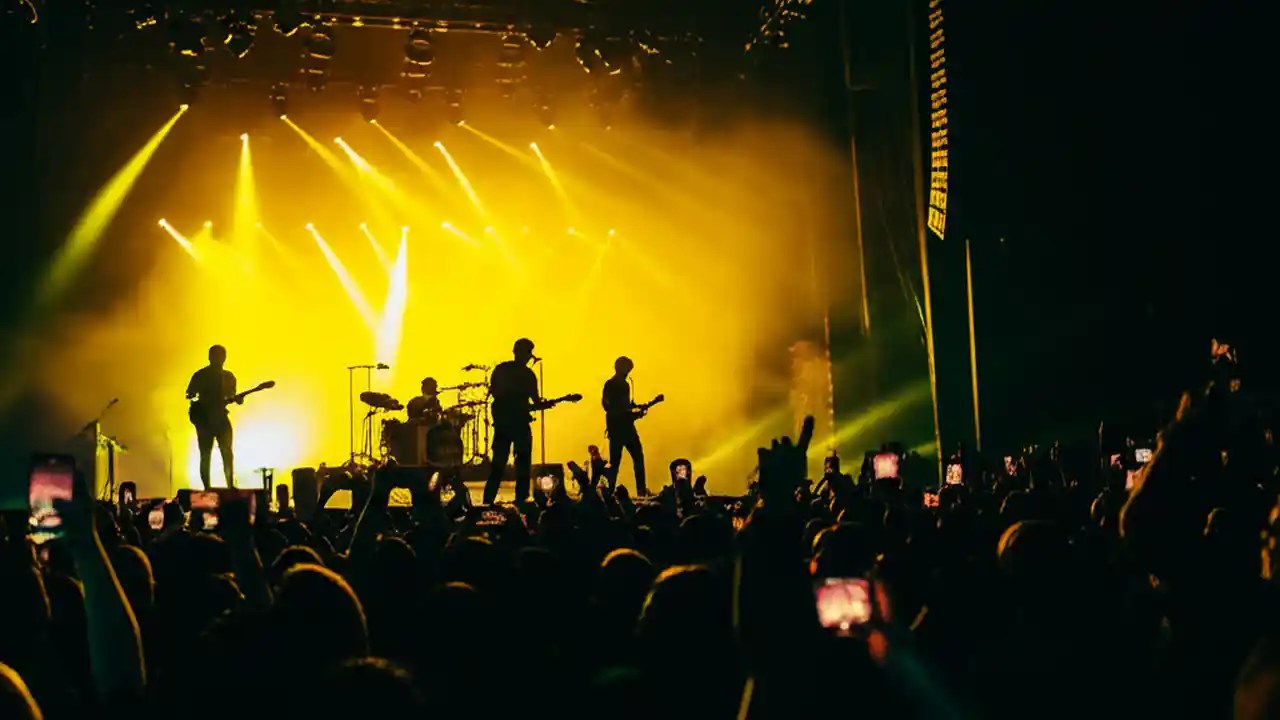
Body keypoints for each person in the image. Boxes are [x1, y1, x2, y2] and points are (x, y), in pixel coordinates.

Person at [484, 339, 541, 504]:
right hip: (516, 424)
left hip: (506, 424)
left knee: (501, 465)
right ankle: (519, 499)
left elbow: (495, 393)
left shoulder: (502, 370)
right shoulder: (526, 375)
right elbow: (535, 401)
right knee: (519, 463)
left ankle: (490, 500)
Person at [186, 344, 238, 490]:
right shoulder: (200, 375)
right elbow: (190, 394)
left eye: (220, 356)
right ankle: (207, 487)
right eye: (215, 355)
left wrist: (234, 398)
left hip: (220, 417)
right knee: (205, 454)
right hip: (205, 420)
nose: (217, 359)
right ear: (209, 357)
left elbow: (231, 395)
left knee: (227, 452)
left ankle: (230, 485)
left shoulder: (228, 377)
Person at [603, 356, 648, 496]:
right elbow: (609, 406)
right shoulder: (612, 384)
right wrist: (631, 413)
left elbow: (623, 406)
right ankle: (612, 491)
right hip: (620, 428)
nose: (628, 372)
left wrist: (636, 409)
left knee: (629, 459)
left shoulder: (621, 385)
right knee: (620, 461)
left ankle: (637, 490)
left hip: (622, 427)